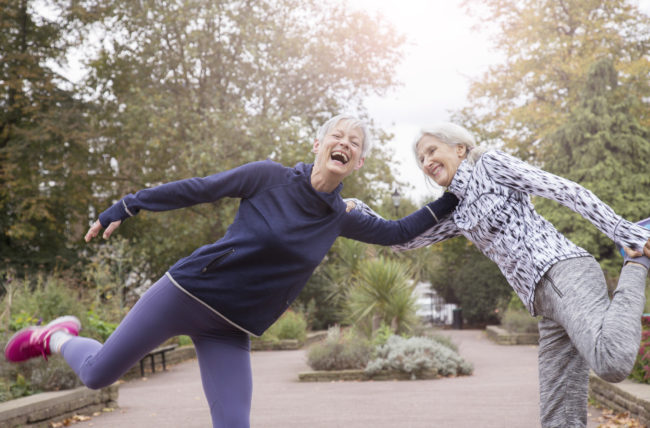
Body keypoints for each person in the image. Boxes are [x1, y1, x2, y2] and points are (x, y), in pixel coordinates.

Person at [4, 114, 458, 428]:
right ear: (318, 146)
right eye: (337, 136)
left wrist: (456, 195)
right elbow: (200, 190)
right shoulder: (267, 177)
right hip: (185, 293)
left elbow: (400, 231)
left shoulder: (342, 217)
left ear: (357, 163)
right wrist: (128, 204)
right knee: (97, 376)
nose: (345, 143)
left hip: (231, 327)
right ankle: (56, 337)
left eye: (354, 143)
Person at [349, 122, 650, 428]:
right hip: (544, 304)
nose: (426, 162)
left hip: (563, 270)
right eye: (421, 159)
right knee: (560, 421)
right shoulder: (456, 210)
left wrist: (623, 231)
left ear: (459, 148)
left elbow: (563, 190)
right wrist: (356, 209)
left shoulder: (490, 166)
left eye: (431, 151)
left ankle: (636, 263)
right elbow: (403, 240)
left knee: (611, 359)